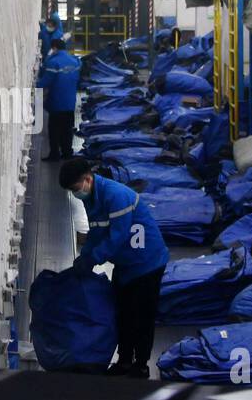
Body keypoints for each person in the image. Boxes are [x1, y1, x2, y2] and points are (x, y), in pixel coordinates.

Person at [59, 157, 169, 378]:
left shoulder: (116, 195)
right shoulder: (90, 198)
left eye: (74, 188)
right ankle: (124, 360)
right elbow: (96, 232)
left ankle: (141, 365)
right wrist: (85, 256)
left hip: (147, 263)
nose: (75, 194)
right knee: (123, 312)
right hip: (126, 263)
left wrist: (93, 259)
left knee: (142, 315)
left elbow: (117, 236)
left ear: (87, 179)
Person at [36, 38, 80, 161]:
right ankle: (67, 153)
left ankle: (54, 154)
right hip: (70, 102)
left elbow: (46, 81)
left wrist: (35, 86)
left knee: (54, 130)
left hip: (57, 102)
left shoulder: (53, 62)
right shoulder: (74, 61)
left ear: (54, 48)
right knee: (67, 129)